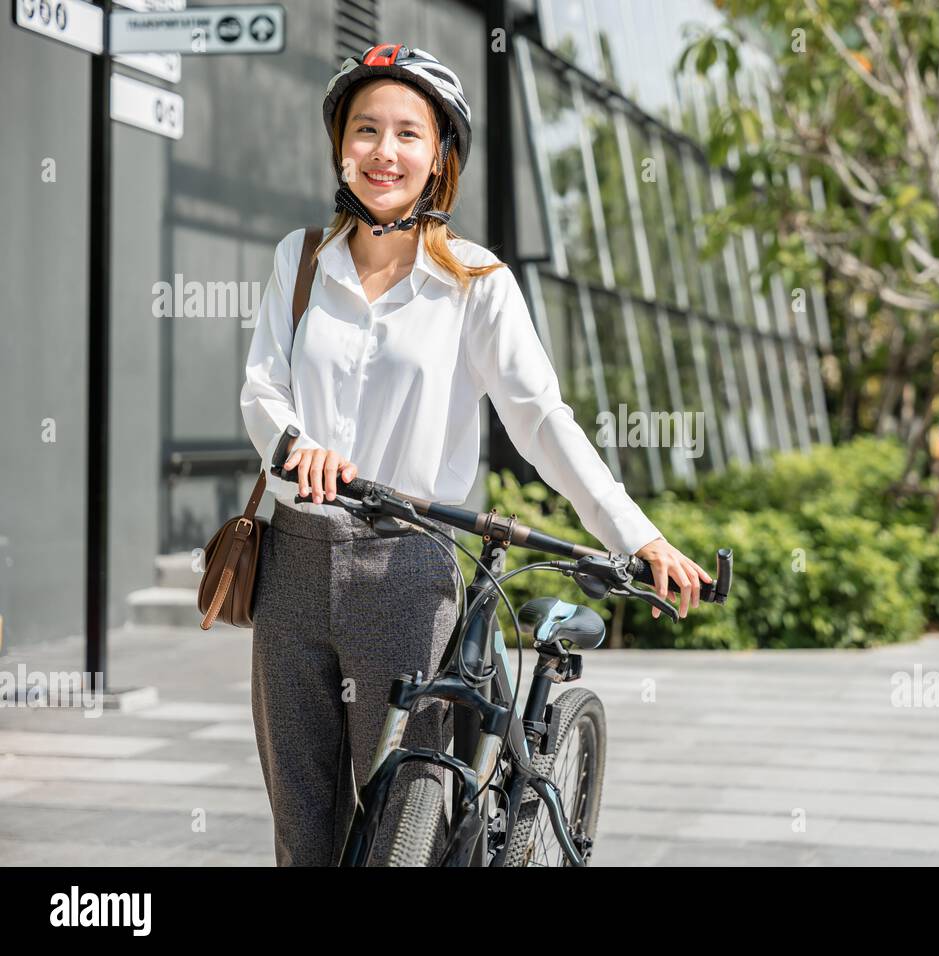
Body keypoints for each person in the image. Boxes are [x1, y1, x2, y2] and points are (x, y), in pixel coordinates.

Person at [239, 43, 711, 866]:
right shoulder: (301, 257)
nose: (383, 151)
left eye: (408, 134)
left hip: (409, 573)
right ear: (340, 147)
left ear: (439, 158)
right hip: (294, 564)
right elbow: (261, 388)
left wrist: (636, 534)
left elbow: (542, 419)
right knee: (300, 827)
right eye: (364, 130)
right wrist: (296, 445)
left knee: (407, 827)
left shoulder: (477, 282)